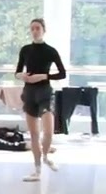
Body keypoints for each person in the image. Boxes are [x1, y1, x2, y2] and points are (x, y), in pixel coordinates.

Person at [14, 17, 67, 181]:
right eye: (32, 29)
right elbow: (17, 71)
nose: (35, 31)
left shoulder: (50, 51)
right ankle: (37, 169)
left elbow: (62, 73)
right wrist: (21, 75)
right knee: (34, 134)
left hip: (44, 91)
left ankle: (45, 156)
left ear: (44, 30)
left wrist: (43, 76)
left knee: (48, 132)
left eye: (38, 28)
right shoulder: (25, 50)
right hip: (29, 92)